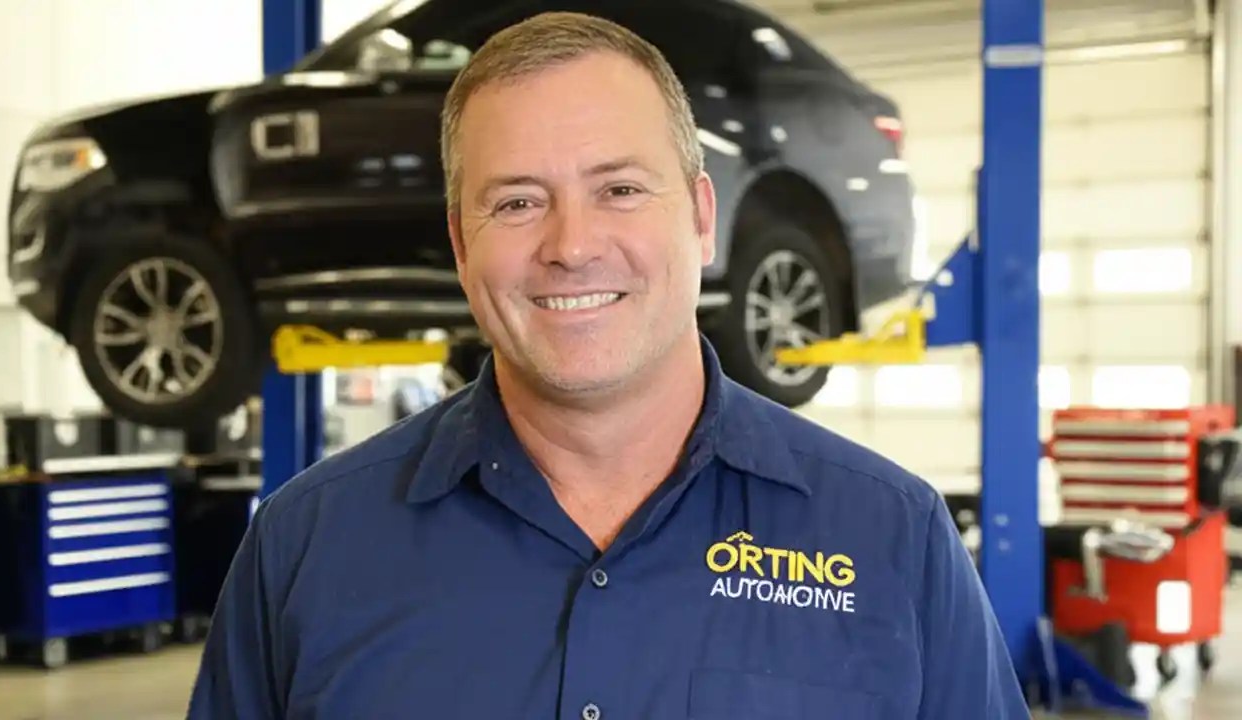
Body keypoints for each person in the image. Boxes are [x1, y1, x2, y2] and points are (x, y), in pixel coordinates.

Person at [187, 11, 1030, 719]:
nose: (573, 246)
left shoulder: (893, 540)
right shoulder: (303, 549)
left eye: (620, 189)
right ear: (460, 243)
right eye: (517, 201)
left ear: (703, 217)